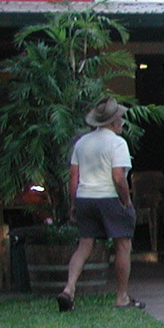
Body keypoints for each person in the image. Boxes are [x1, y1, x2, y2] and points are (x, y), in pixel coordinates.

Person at [58, 98, 142, 312]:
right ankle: (121, 296)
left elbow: (74, 177)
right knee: (123, 245)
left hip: (85, 197)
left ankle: (69, 288)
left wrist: (75, 201)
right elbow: (118, 177)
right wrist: (127, 201)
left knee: (84, 246)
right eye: (121, 118)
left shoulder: (82, 143)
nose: (122, 121)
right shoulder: (117, 143)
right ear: (113, 122)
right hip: (109, 198)